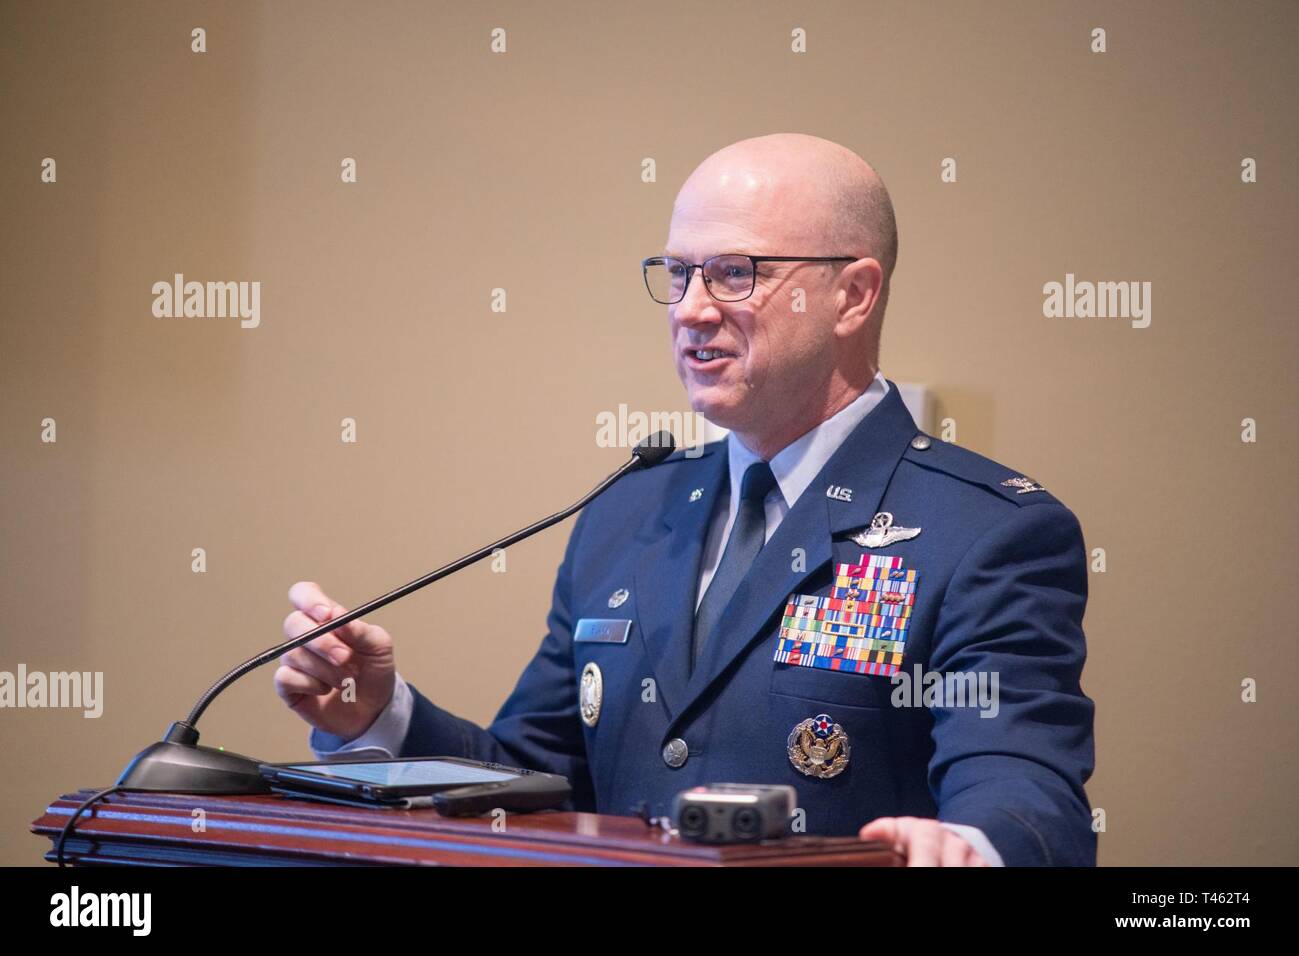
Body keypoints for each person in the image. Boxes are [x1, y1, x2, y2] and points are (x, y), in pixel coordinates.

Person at [274, 133, 1096, 866]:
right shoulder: (629, 512)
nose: (693, 311)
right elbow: (536, 784)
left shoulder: (984, 533)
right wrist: (379, 716)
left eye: (736, 273)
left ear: (852, 295)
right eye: (678, 274)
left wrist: (971, 848)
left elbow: (1022, 783)